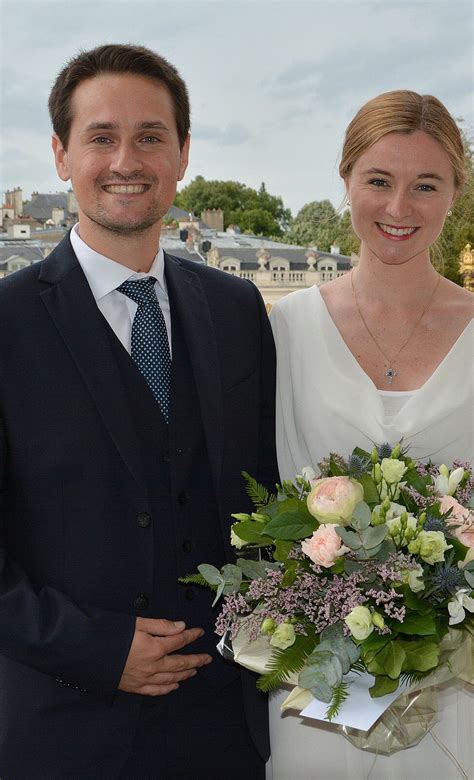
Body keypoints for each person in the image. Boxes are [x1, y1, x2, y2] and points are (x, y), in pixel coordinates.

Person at [0, 44, 278, 779]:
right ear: (61, 156)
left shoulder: (237, 308)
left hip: (223, 731)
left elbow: (265, 496)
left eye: (151, 136)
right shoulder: (5, 322)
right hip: (62, 731)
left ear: (183, 155)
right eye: (102, 137)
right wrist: (96, 648)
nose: (128, 159)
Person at [269, 90, 473, 779]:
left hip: (461, 686)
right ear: (346, 181)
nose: (398, 208)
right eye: (379, 181)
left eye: (426, 185)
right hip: (315, 680)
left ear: (455, 193)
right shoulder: (281, 329)